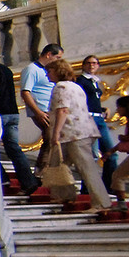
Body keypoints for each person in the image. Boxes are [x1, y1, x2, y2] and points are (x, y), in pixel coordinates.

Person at [45, 58, 112, 212]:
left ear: (57, 71)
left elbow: (63, 110)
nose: (48, 74)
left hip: (72, 132)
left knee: (86, 167)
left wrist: (55, 134)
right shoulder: (76, 86)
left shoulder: (60, 87)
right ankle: (64, 195)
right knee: (57, 164)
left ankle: (101, 203)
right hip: (81, 130)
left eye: (50, 71)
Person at [0, 42, 38, 194]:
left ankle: (3, 178)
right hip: (13, 113)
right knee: (14, 149)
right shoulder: (6, 70)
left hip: (0, 113)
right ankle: (28, 181)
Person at [77, 55, 117, 191]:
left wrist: (102, 109)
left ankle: (108, 185)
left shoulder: (95, 81)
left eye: (94, 63)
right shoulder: (81, 80)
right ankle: (87, 188)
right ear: (83, 65)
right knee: (92, 154)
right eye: (88, 63)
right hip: (89, 118)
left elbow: (93, 101)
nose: (91, 65)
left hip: (99, 117)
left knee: (111, 153)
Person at [20, 43, 63, 170]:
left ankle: (45, 169)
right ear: (49, 55)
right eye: (58, 58)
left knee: (51, 140)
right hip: (42, 110)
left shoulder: (48, 70)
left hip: (51, 109)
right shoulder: (32, 69)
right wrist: (38, 112)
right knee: (50, 139)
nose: (59, 61)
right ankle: (41, 170)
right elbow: (25, 92)